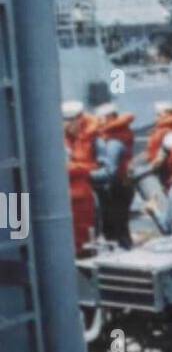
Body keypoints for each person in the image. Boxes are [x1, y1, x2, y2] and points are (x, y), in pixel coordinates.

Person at [90, 101, 134, 248]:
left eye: (101, 118)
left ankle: (125, 255)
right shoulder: (121, 134)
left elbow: (111, 172)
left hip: (117, 188)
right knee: (120, 226)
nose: (99, 122)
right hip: (124, 184)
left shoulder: (114, 142)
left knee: (116, 228)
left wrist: (88, 176)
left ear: (110, 117)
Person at [62, 99, 98, 254]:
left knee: (84, 232)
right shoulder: (62, 141)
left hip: (80, 194)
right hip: (71, 195)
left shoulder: (86, 138)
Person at [146, 101, 172, 168]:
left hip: (166, 167)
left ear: (169, 113)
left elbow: (167, 150)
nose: (156, 118)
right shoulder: (163, 128)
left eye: (159, 114)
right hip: (157, 164)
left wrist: (157, 163)